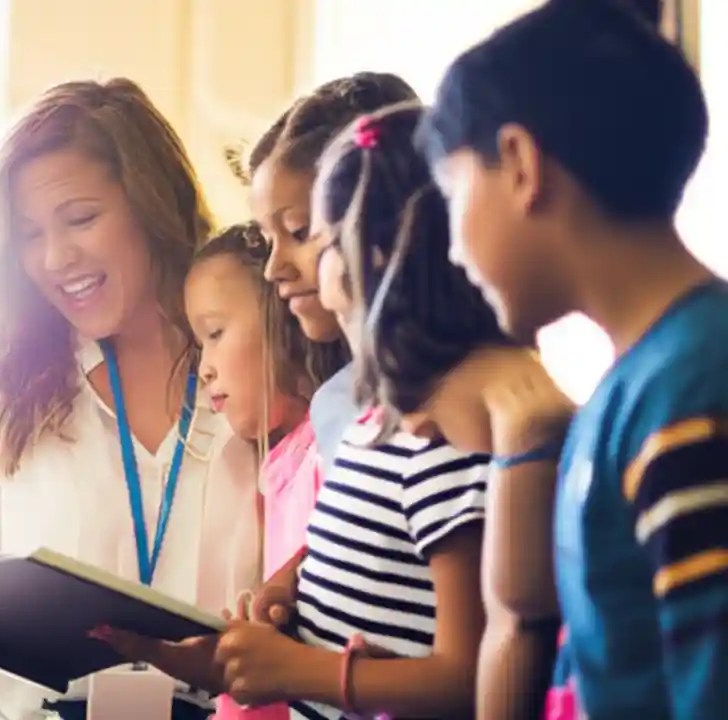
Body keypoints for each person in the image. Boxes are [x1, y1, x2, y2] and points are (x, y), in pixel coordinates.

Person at [0, 78, 262, 720]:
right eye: (27, 235)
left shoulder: (251, 361)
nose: (55, 257)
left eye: (81, 219)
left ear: (152, 206)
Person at [417, 0, 728, 717]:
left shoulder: (689, 392)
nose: (454, 248)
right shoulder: (636, 388)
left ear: (522, 166)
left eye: (455, 192)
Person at [212, 104, 489, 719]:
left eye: (314, 234)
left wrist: (305, 670)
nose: (281, 266)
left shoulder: (445, 438)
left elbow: (474, 673)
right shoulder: (371, 424)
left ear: (384, 248)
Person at [352, 108, 571, 716]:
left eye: (420, 408)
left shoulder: (531, 429)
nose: (420, 432)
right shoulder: (524, 423)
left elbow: (512, 642)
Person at [246, 73, 419, 477]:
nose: (274, 268)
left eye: (300, 232)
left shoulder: (454, 407)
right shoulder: (334, 404)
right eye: (265, 241)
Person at [183, 222, 323, 720]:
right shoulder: (280, 463)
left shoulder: (327, 454)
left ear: (284, 314)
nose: (205, 367)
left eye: (216, 334)